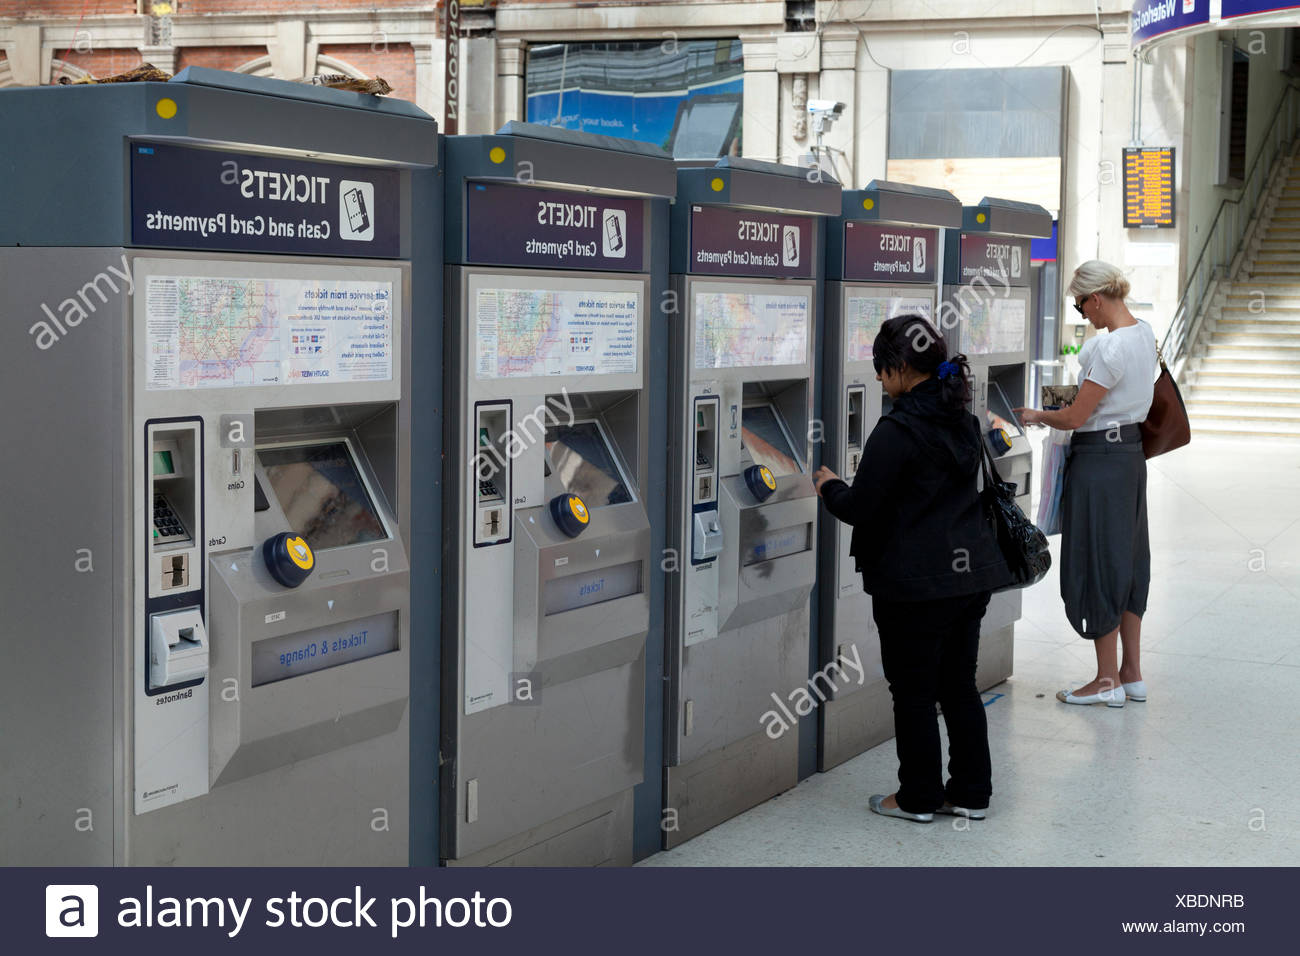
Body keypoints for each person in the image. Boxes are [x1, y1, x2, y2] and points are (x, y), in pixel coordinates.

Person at [814, 314, 1006, 824]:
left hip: (913, 586)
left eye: (881, 369)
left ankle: (917, 797)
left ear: (900, 368)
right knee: (959, 686)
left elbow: (861, 507)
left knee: (914, 693)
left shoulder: (897, 429)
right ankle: (970, 793)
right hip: (968, 578)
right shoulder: (963, 420)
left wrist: (828, 485)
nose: (879, 380)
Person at [1014, 260, 1156, 708]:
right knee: (1130, 560)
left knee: (1098, 561)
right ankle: (1131, 674)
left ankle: (1105, 680)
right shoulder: (1145, 333)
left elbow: (1076, 417)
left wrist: (1036, 414)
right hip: (1131, 456)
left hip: (1099, 462)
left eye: (1080, 306)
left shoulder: (1105, 348)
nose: (1083, 315)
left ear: (1096, 298)